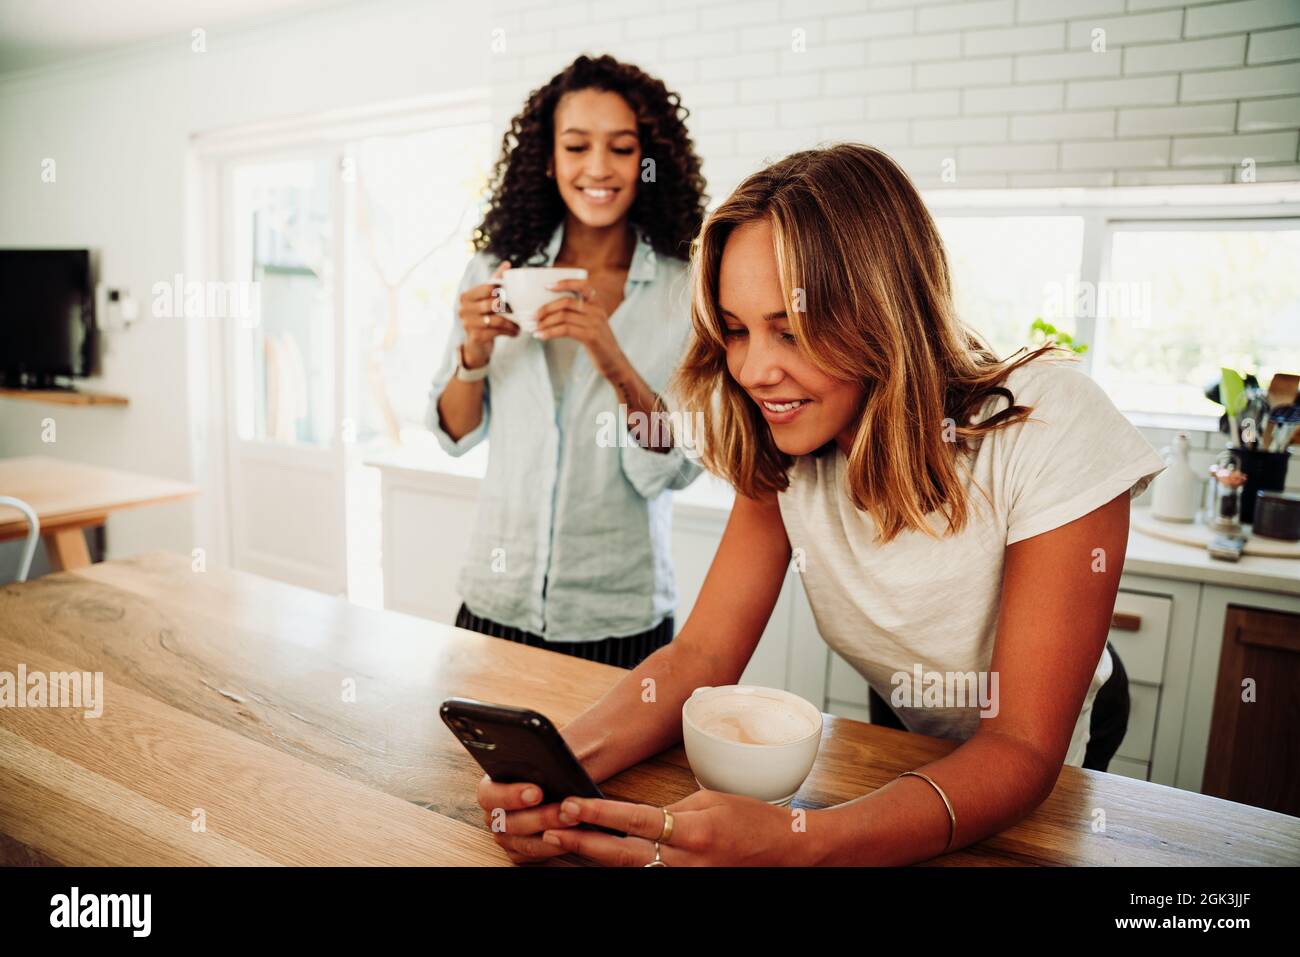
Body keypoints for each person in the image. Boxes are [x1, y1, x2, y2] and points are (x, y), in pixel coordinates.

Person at [474, 143, 1167, 866]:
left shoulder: (1052, 423)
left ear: (884, 311)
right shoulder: (782, 440)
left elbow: (1021, 747)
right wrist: (557, 770)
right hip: (907, 716)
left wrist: (807, 842)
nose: (751, 369)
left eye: (791, 329)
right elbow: (703, 653)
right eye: (736, 329)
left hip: (1046, 729)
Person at [427, 55, 707, 669]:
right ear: (548, 160)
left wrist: (613, 360)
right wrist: (474, 351)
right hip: (495, 601)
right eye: (577, 146)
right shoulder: (494, 270)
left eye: (623, 148)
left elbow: (674, 467)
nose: (598, 169)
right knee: (468, 769)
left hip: (619, 613)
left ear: (648, 162)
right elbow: (455, 433)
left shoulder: (683, 291)